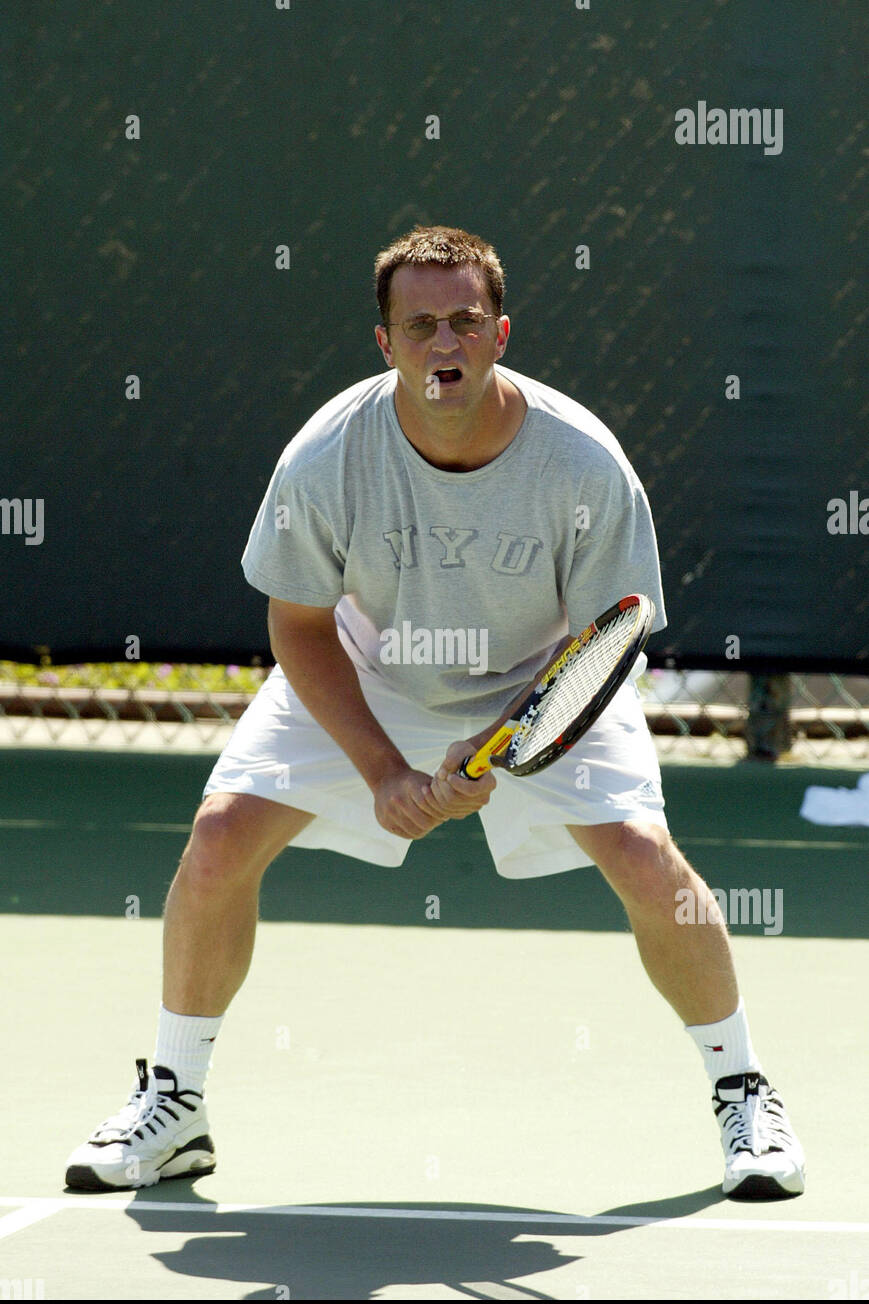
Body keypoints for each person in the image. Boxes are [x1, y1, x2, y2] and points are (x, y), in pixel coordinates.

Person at [65, 225, 805, 1201]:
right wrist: (380, 770)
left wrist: (513, 745)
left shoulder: (583, 466)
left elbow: (608, 644)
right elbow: (298, 628)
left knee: (640, 859)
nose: (441, 343)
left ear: (500, 332)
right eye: (419, 325)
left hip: (544, 680)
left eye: (462, 320)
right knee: (218, 838)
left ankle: (743, 1091)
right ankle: (174, 1102)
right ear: (385, 344)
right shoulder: (325, 456)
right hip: (369, 671)